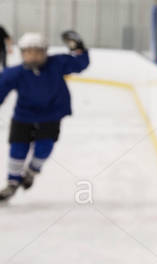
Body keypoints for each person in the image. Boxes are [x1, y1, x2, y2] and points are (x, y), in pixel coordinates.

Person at [0, 31, 90, 202]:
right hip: (23, 116)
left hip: (51, 115)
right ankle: (12, 182)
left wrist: (79, 48)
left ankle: (32, 171)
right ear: (22, 54)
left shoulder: (57, 64)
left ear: (45, 52)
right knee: (17, 148)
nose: (33, 56)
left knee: (44, 148)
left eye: (37, 52)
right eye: (28, 52)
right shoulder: (16, 73)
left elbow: (80, 64)